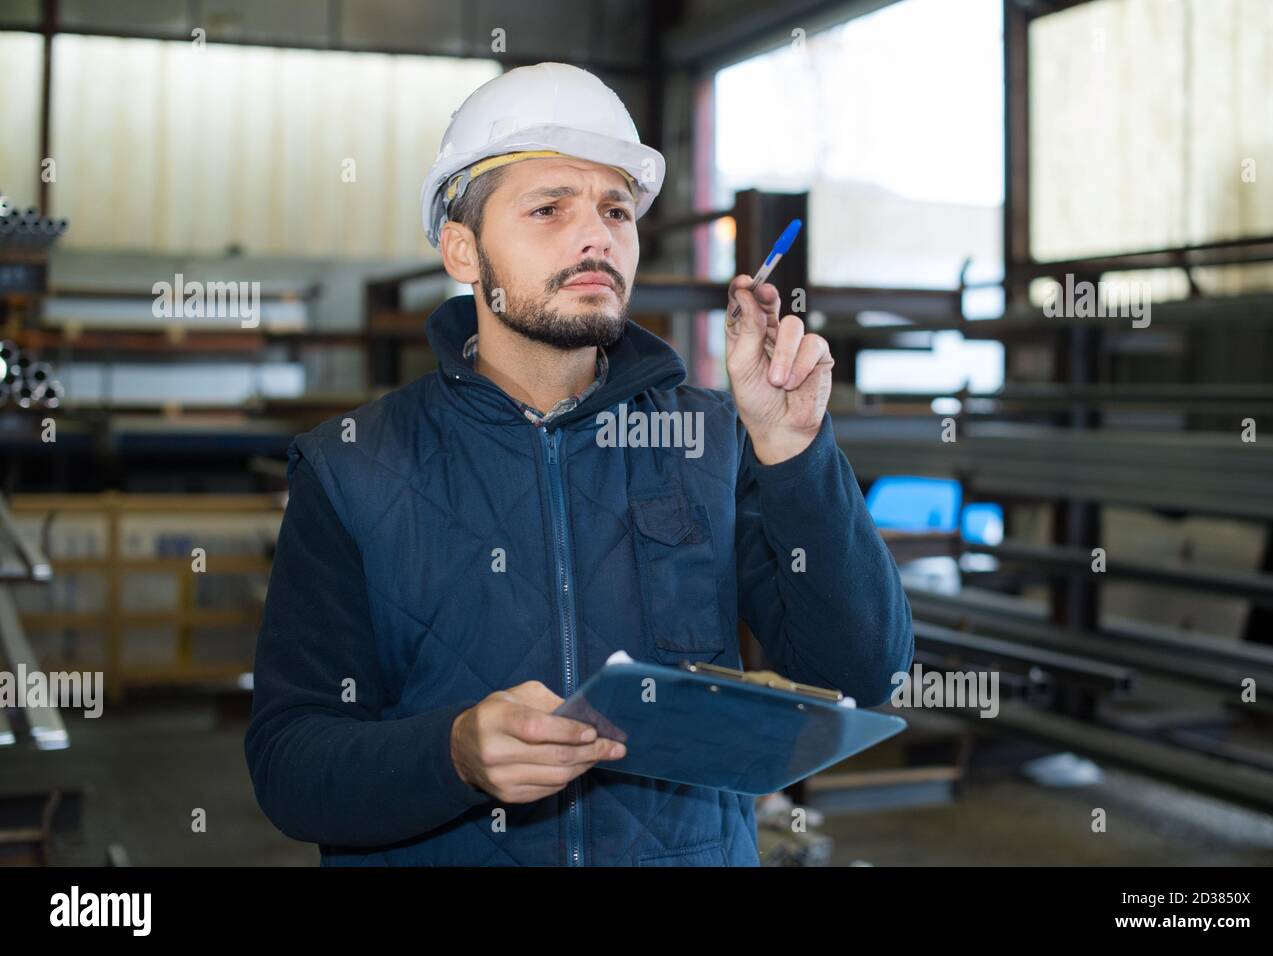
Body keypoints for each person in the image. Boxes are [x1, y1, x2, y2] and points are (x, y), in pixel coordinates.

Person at [244, 61, 913, 866]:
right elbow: (289, 765)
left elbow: (861, 673)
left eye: (615, 210)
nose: (596, 235)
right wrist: (451, 753)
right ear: (463, 250)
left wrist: (794, 450)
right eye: (548, 209)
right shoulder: (353, 467)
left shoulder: (712, 443)